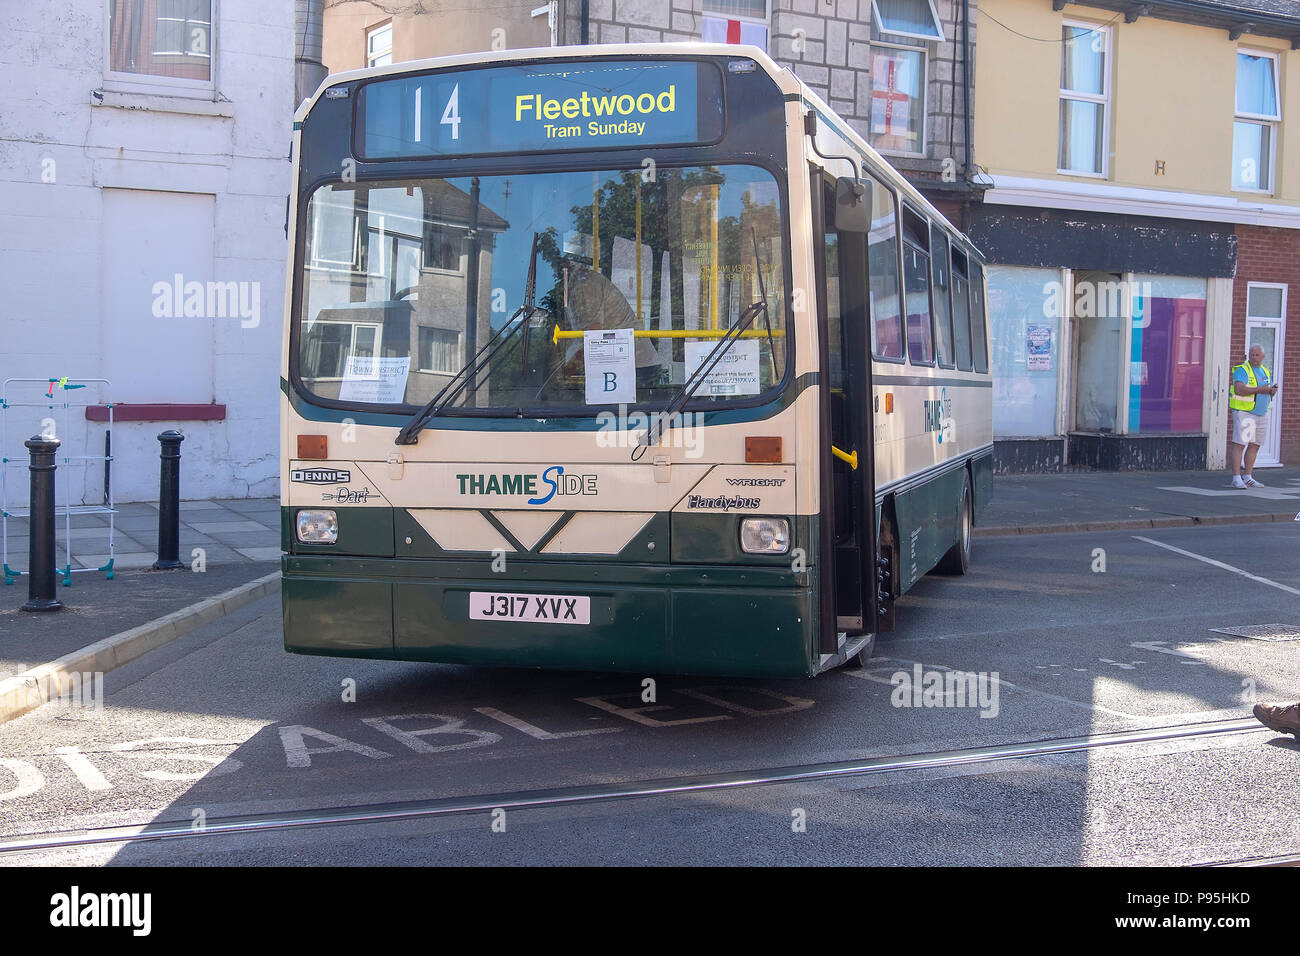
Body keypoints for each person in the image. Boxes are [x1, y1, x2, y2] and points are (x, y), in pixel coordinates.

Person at [1227, 345, 1278, 489]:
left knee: (1255, 445)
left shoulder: (1265, 371)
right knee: (1240, 444)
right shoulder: (1243, 370)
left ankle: (1248, 476)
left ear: (1263, 357)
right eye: (1252, 354)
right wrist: (1260, 390)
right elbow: (1238, 389)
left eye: (1257, 355)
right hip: (1246, 413)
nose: (1254, 357)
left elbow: (1266, 390)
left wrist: (1271, 391)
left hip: (1261, 413)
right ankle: (1236, 477)